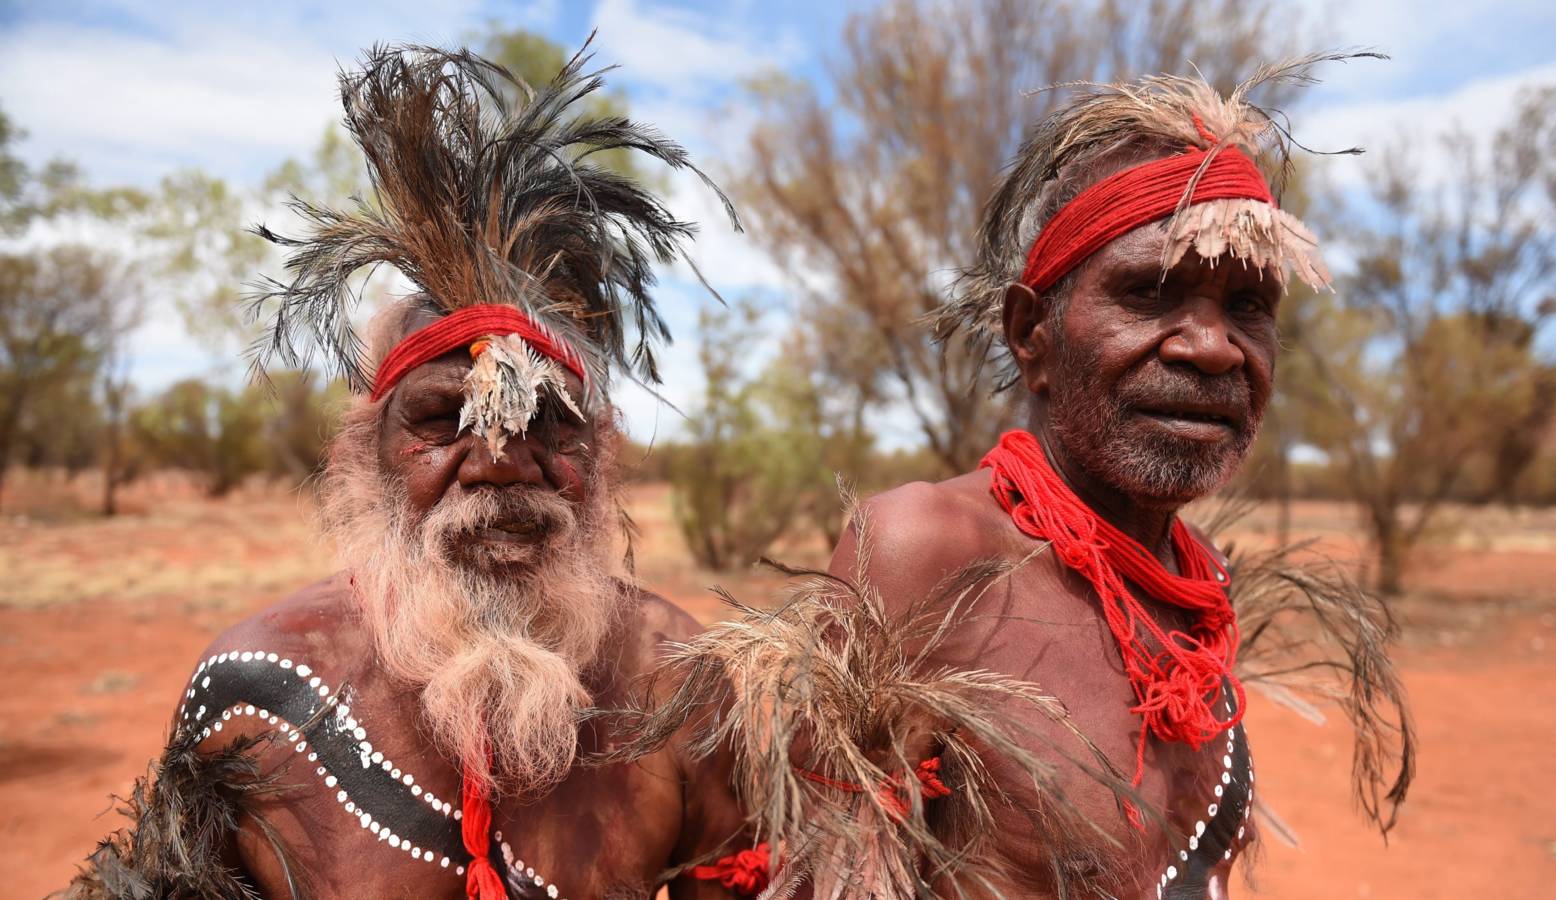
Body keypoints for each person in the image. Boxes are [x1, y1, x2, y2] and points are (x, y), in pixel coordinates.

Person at [624, 54, 1414, 899]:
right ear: (1031, 334)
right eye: (1149, 292)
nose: (1212, 345)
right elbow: (811, 868)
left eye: (1248, 306)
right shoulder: (927, 554)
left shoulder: (1195, 580)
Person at [68, 44, 765, 900]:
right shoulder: (255, 689)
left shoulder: (677, 682)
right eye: (443, 420)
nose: (502, 459)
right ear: (367, 456)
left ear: (602, 457)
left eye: (549, 424)